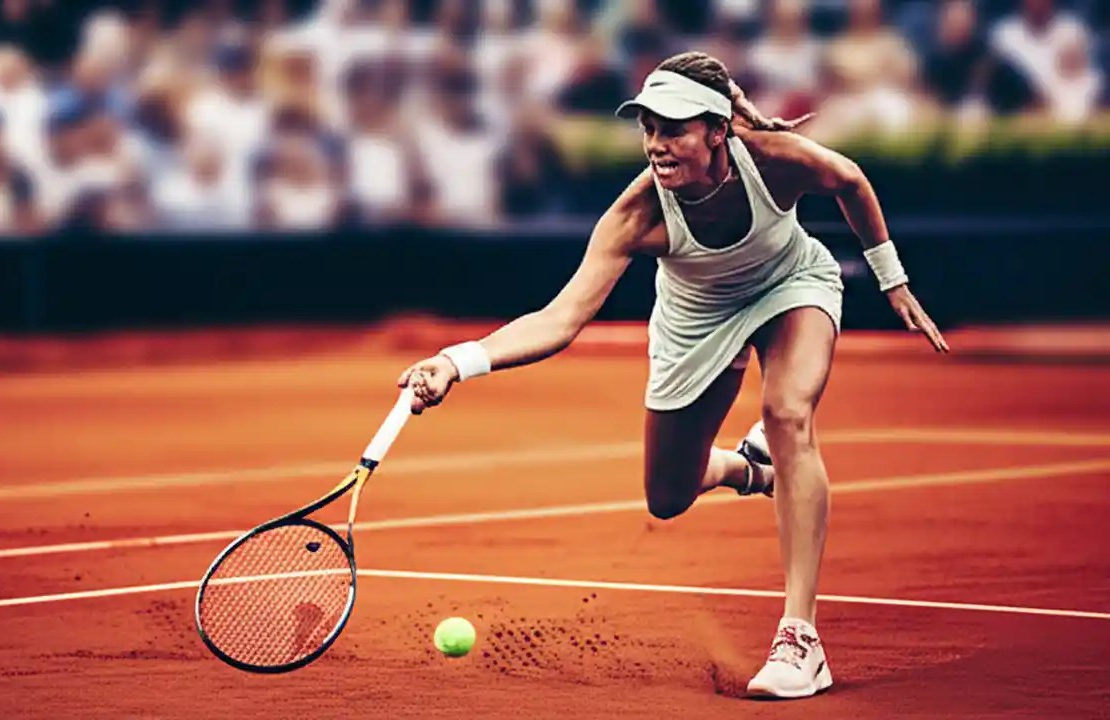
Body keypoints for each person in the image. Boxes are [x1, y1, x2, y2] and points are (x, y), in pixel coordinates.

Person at [396, 51, 948, 700]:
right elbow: (560, 318)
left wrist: (892, 279)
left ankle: (800, 639)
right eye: (649, 128)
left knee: (788, 413)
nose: (657, 144)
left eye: (674, 129)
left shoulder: (775, 160)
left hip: (791, 285)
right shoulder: (637, 214)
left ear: (717, 131)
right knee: (667, 495)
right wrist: (455, 361)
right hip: (695, 320)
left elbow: (850, 181)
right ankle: (748, 468)